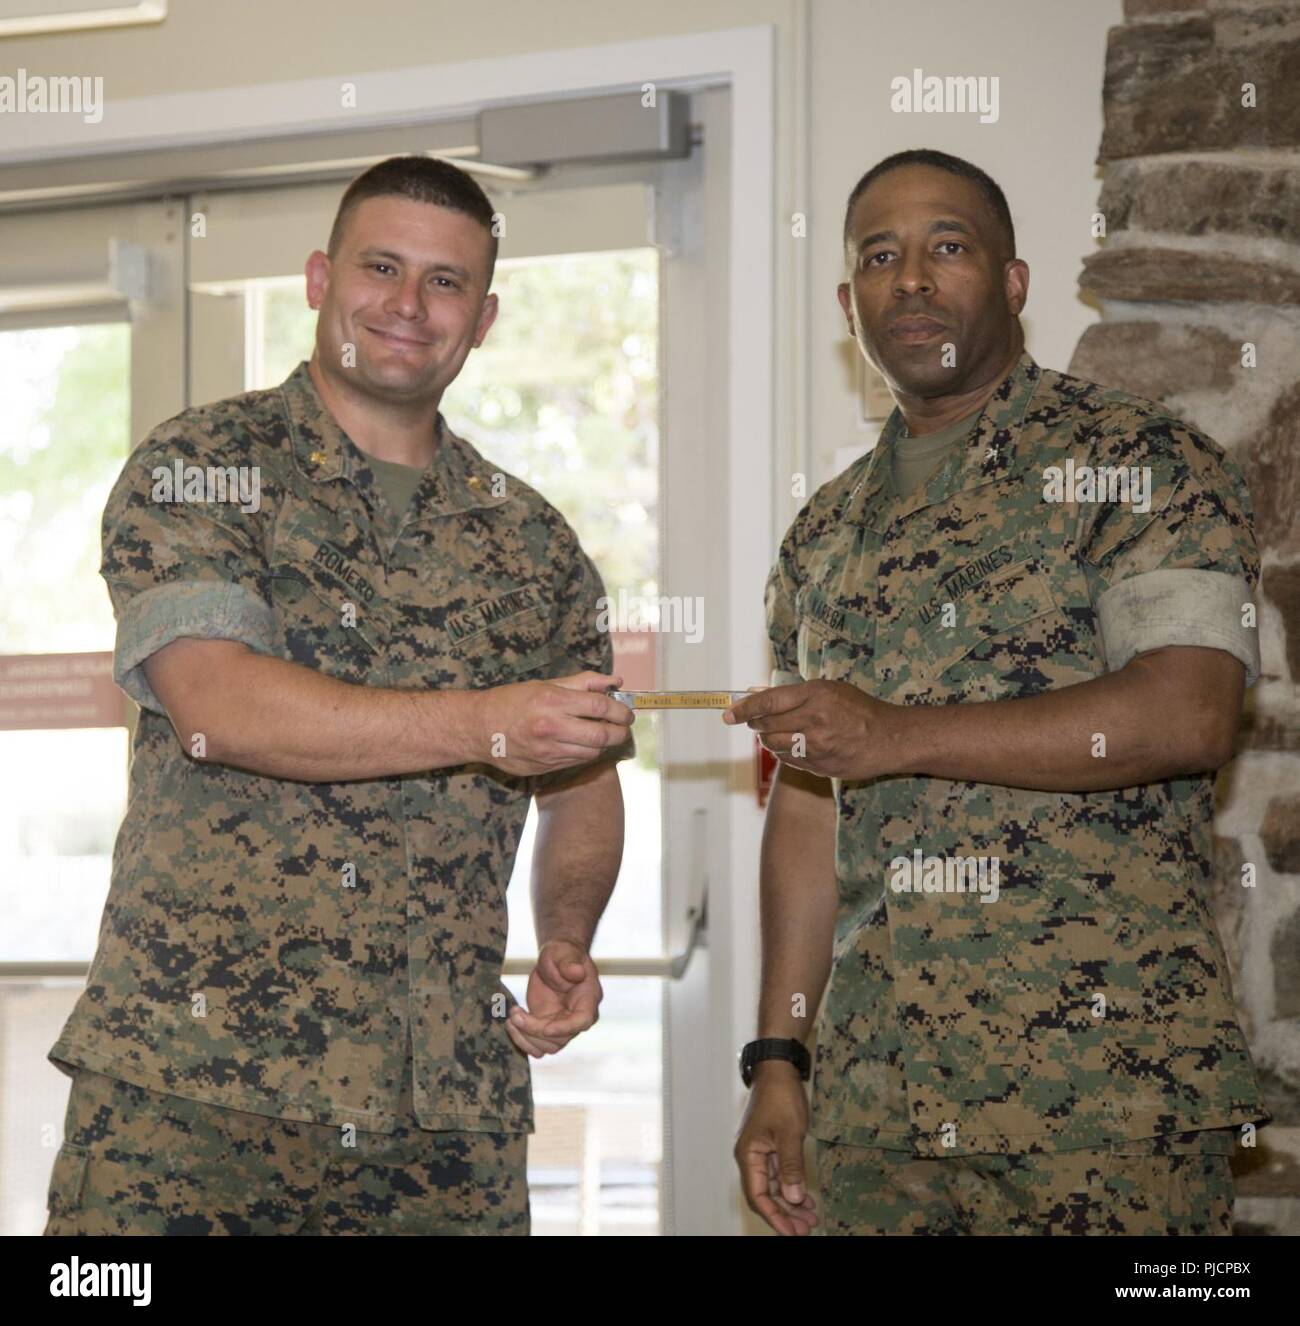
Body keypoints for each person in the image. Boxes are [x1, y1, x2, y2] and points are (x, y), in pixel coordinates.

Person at [43, 155, 635, 1236]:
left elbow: (582, 784)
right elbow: (220, 709)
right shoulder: (202, 468)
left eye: (446, 282)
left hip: (439, 1112)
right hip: (195, 1098)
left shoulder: (533, 543)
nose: (409, 307)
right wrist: (487, 719)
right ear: (320, 279)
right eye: (382, 267)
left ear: (485, 316)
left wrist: (567, 933)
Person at [727, 148, 1268, 1237]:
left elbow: (1186, 712)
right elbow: (803, 805)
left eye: (947, 247)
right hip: (880, 1108)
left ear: (1012, 283)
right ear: (848, 303)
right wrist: (781, 1058)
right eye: (880, 257)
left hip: (1104, 1102)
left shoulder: (1136, 463)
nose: (911, 280)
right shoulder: (821, 536)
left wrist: (894, 735)